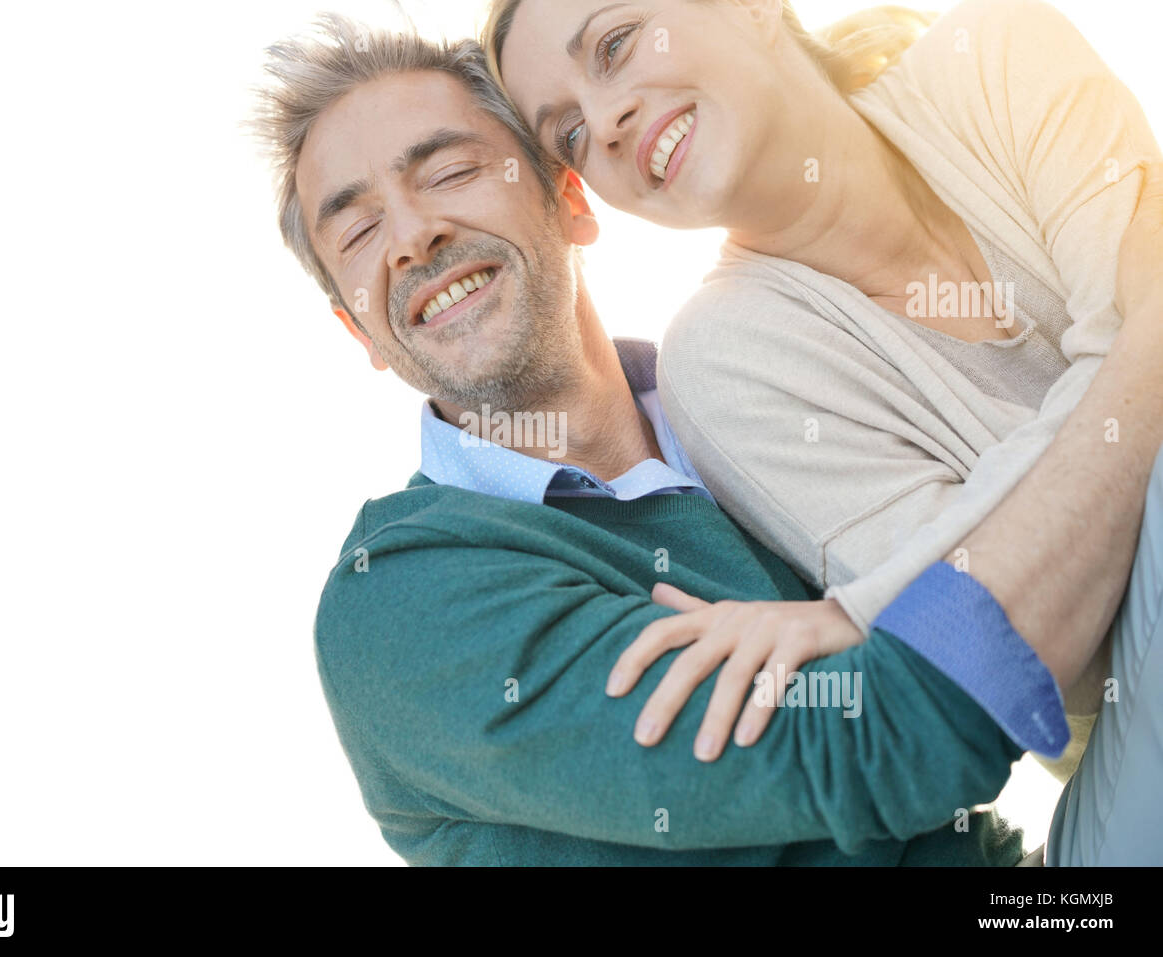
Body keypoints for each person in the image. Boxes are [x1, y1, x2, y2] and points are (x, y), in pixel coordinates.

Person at [256, 13, 1163, 865]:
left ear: (570, 199)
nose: (412, 236)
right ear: (360, 332)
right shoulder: (406, 597)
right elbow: (883, 735)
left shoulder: (752, 409)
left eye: (448, 172)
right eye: (360, 228)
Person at [484, 0, 1163, 785]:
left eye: (617, 44)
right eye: (568, 134)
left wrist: (877, 603)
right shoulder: (721, 361)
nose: (604, 122)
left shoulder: (996, 52)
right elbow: (1033, 646)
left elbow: (969, 592)